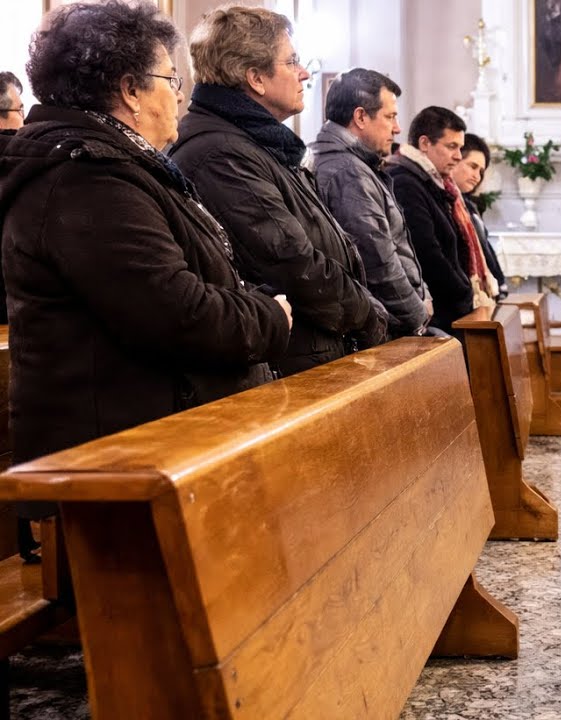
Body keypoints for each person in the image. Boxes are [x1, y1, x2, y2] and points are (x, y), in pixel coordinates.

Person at [0, 1, 292, 482]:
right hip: (112, 464)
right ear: (131, 91)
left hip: (145, 443)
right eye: (171, 80)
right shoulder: (86, 178)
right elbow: (175, 312)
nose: (181, 96)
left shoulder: (120, 168)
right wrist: (270, 317)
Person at [171, 5, 386, 376]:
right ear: (255, 77)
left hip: (316, 353)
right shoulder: (220, 154)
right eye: (292, 62)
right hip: (291, 367)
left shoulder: (258, 144)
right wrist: (370, 316)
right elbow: (292, 262)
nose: (304, 73)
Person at [310, 68, 432, 338]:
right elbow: (377, 261)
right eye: (390, 117)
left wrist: (423, 292)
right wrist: (417, 316)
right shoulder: (347, 171)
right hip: (387, 326)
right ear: (361, 117)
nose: (397, 128)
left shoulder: (357, 164)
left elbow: (395, 241)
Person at [387, 106, 497, 335]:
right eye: (452, 146)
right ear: (425, 143)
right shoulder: (406, 183)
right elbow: (427, 252)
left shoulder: (436, 184)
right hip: (439, 315)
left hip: (451, 309)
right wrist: (466, 296)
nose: (458, 156)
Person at [451, 133, 507, 299]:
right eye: (472, 166)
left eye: (481, 171)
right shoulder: (450, 203)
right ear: (455, 159)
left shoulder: (468, 204)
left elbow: (485, 249)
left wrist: (500, 283)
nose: (477, 176)